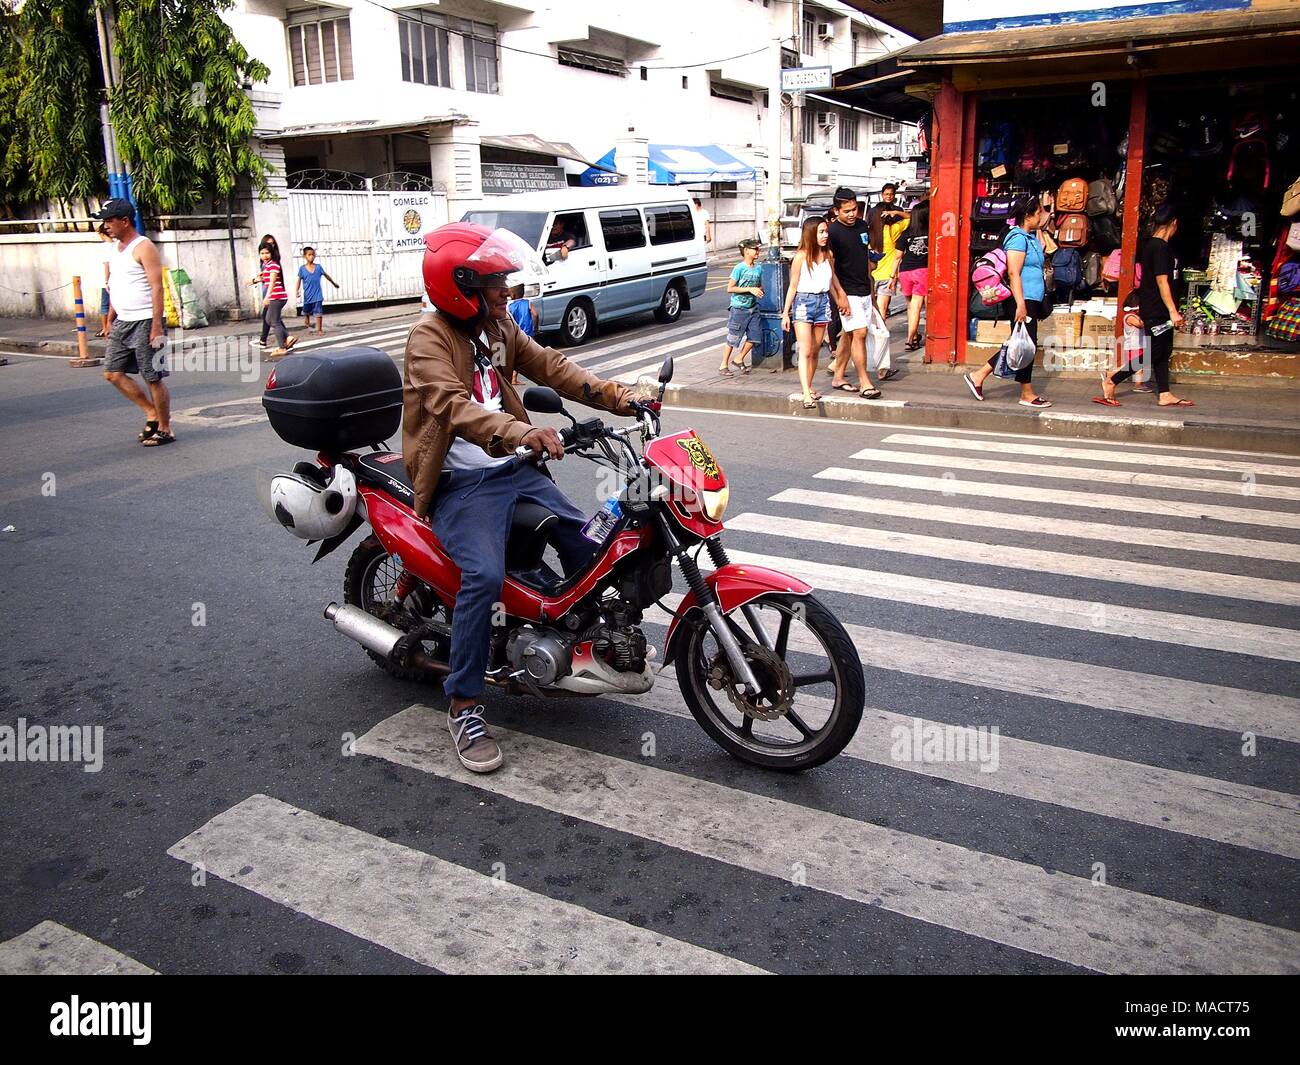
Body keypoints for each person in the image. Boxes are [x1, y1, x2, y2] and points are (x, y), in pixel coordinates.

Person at [403, 222, 638, 773]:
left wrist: (621, 396)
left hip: (516, 469)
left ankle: (580, 636)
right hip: (462, 484)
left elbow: (553, 367)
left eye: (505, 282)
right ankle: (463, 705)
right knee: (482, 578)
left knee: (593, 542)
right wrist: (519, 431)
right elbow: (454, 406)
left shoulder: (500, 326)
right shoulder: (428, 339)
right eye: (495, 284)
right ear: (460, 286)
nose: (506, 292)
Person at [94, 198, 175, 446]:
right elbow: (115, 287)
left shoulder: (143, 247)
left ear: (125, 221)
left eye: (109, 220)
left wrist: (157, 327)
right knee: (112, 373)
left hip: (145, 320)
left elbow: (156, 287)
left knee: (152, 376)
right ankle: (151, 412)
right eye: (104, 221)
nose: (106, 226)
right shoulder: (114, 249)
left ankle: (165, 428)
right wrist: (109, 321)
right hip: (123, 321)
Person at [964, 195, 1052, 408]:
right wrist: (1020, 303)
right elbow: (1013, 272)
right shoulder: (1017, 238)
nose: (1042, 216)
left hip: (1031, 298)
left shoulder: (1029, 236)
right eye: (1039, 212)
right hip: (1021, 298)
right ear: (1028, 215)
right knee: (1024, 345)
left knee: (1021, 343)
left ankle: (979, 376)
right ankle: (1026, 393)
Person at [1098, 205, 1191, 407]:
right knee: (1155, 352)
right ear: (1173, 223)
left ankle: (1164, 393)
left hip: (1160, 308)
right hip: (1157, 308)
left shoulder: (1157, 246)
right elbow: (1161, 281)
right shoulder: (1158, 247)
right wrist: (1173, 311)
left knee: (1163, 351)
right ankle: (1112, 379)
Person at [826, 187, 887, 398]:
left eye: (854, 209)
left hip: (863, 289)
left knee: (850, 335)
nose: (852, 214)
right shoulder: (832, 233)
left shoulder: (862, 226)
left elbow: (864, 258)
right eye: (846, 211)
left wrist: (871, 290)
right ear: (836, 211)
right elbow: (830, 269)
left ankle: (838, 375)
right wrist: (839, 295)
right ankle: (864, 382)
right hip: (846, 291)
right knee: (859, 333)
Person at [782, 217, 849, 408]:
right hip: (803, 302)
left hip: (823, 302)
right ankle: (806, 394)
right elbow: (793, 286)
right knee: (805, 349)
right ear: (811, 233)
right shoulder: (801, 257)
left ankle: (809, 386)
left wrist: (840, 297)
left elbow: (832, 280)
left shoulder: (828, 255)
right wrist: (786, 313)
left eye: (826, 231)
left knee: (814, 350)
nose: (825, 235)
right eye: (821, 232)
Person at [718, 238, 764, 376]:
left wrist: (759, 290)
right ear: (746, 251)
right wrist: (750, 289)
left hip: (753, 307)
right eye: (755, 249)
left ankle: (739, 358)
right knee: (733, 338)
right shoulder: (739, 268)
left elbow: (759, 285)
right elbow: (730, 288)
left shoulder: (758, 268)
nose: (758, 252)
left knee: (756, 336)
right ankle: (723, 365)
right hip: (739, 308)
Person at [869, 184, 910, 322]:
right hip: (887, 275)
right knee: (882, 310)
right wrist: (897, 213)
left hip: (871, 274)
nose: (889, 196)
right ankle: (880, 338)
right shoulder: (893, 230)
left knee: (868, 310)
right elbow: (910, 218)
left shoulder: (869, 233)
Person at [895, 199, 929, 352]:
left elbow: (898, 256)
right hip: (922, 271)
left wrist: (892, 276)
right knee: (917, 306)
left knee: (910, 306)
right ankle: (910, 340)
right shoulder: (931, 231)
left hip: (905, 271)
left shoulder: (906, 233)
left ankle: (914, 337)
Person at [249, 245, 296, 357]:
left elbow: (272, 281)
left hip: (277, 296)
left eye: (267, 253)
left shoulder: (274, 265)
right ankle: (288, 338)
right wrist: (254, 280)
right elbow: (265, 278)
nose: (264, 256)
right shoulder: (267, 265)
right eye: (262, 253)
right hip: (276, 296)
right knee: (269, 320)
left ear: (271, 253)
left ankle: (282, 347)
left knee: (274, 321)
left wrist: (267, 297)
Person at [295, 247, 338, 334]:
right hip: (308, 295)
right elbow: (299, 280)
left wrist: (334, 283)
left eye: (313, 255)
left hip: (318, 294)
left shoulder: (318, 267)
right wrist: (297, 290)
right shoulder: (302, 269)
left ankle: (319, 329)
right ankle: (307, 317)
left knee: (318, 312)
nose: (311, 257)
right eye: (309, 255)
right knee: (306, 309)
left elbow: (326, 275)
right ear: (305, 256)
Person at [94, 222, 113, 337]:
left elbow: (107, 265)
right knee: (113, 304)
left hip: (107, 281)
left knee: (105, 305)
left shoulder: (104, 247)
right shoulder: (117, 245)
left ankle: (105, 328)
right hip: (116, 279)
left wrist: (106, 281)